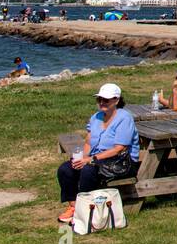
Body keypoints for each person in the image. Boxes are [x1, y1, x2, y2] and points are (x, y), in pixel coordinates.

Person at [56, 83, 140, 223]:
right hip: (98, 158)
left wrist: (90, 160)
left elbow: (120, 148)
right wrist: (83, 158)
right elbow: (89, 142)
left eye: (106, 100)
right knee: (66, 168)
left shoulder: (124, 118)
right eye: (99, 99)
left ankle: (87, 209)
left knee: (88, 171)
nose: (102, 102)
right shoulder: (96, 117)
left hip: (121, 161)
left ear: (116, 100)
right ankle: (74, 206)